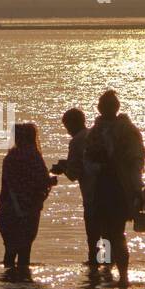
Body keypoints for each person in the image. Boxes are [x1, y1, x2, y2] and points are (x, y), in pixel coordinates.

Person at [84, 90, 145, 285]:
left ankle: (121, 275)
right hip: (104, 186)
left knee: (115, 232)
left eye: (106, 105)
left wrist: (136, 189)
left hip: (118, 186)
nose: (103, 109)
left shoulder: (126, 130)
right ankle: (107, 270)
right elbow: (89, 158)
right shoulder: (98, 130)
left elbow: (135, 161)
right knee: (107, 232)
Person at [0, 123, 57, 274]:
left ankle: (9, 278)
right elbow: (41, 182)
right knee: (24, 250)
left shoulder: (10, 157)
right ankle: (23, 278)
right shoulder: (34, 156)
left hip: (8, 209)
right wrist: (52, 180)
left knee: (9, 250)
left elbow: (8, 184)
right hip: (29, 209)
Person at [49, 108, 98, 265]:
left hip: (91, 193)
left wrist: (62, 167)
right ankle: (107, 262)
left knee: (93, 231)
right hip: (107, 190)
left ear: (71, 124)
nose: (67, 131)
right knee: (107, 231)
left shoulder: (76, 141)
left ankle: (94, 262)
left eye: (67, 126)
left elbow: (73, 175)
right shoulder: (93, 135)